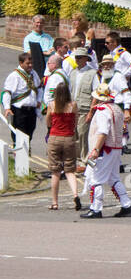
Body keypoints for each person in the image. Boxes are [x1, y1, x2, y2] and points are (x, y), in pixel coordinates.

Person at [79, 84, 131, 219]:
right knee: (113, 178)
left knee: (96, 179)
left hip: (105, 149)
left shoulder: (103, 111)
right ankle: (126, 204)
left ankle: (96, 209)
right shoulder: (116, 109)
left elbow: (103, 132)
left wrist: (96, 149)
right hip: (116, 148)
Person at [46, 78, 80, 211]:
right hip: (69, 138)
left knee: (55, 172)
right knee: (70, 170)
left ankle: (55, 203)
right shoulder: (73, 105)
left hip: (55, 138)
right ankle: (75, 195)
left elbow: (48, 122)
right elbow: (75, 122)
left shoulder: (52, 105)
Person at [2, 52, 42, 140]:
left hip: (31, 111)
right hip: (19, 111)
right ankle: (18, 152)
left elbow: (39, 88)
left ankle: (27, 152)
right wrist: (7, 108)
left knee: (29, 134)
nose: (30, 65)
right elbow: (7, 93)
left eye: (32, 63)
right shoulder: (14, 76)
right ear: (21, 63)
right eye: (28, 63)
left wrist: (38, 101)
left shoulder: (33, 74)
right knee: (19, 135)